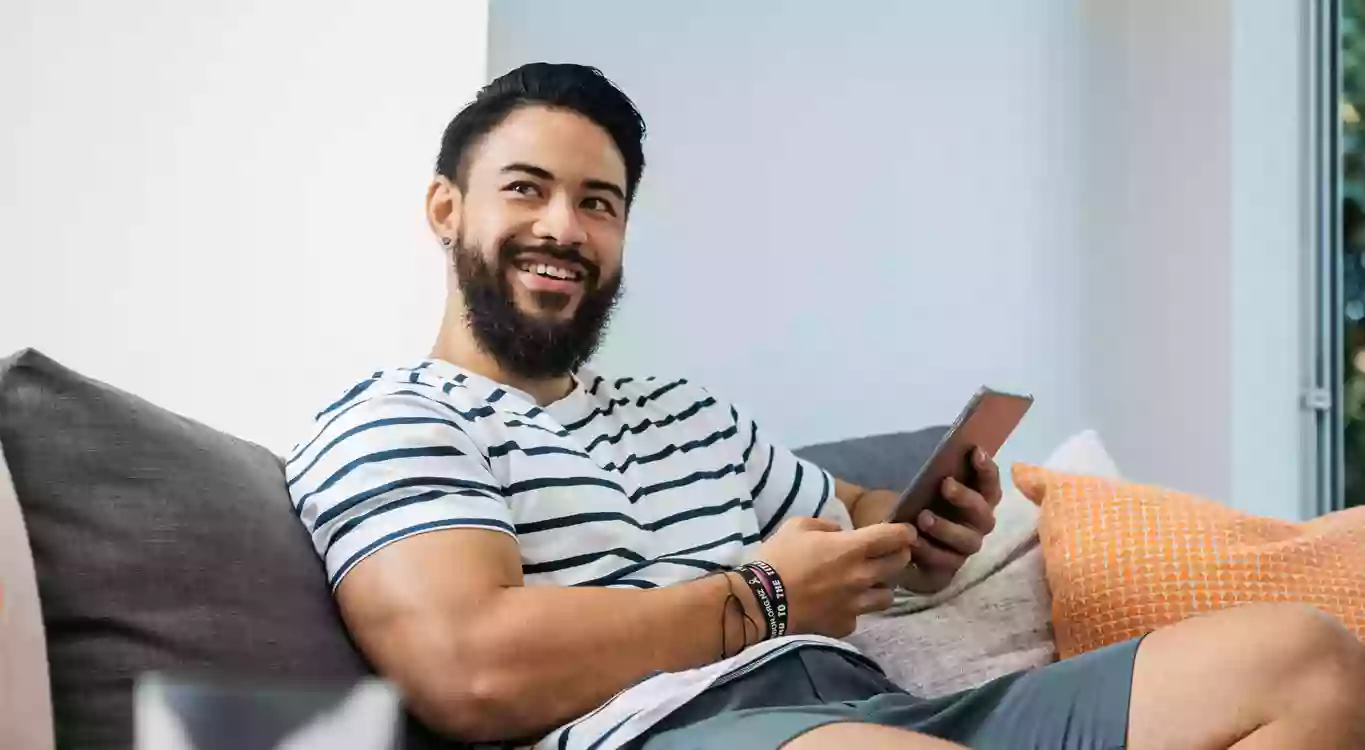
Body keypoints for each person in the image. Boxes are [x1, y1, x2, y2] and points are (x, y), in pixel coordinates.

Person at [286, 62, 1365, 750]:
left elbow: (849, 513)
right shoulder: (397, 419)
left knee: (1301, 661)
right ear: (446, 208)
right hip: (673, 732)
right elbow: (471, 669)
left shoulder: (681, 412)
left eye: (598, 203)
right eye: (526, 188)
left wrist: (920, 533)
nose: (564, 227)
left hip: (873, 709)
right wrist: (761, 597)